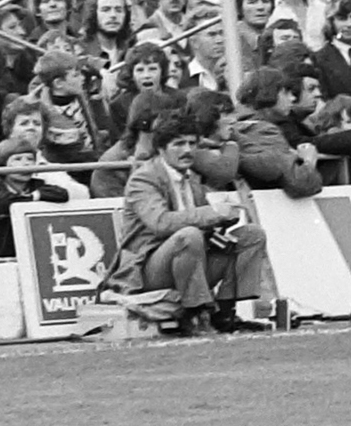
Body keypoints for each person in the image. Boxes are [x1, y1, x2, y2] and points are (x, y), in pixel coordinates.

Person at [110, 109, 274, 336]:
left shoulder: (192, 179)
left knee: (252, 234)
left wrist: (225, 220)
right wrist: (212, 212)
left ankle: (225, 314)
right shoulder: (144, 178)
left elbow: (203, 223)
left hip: (189, 258)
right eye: (178, 144)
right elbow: (161, 223)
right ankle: (196, 315)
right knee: (189, 236)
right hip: (147, 269)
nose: (187, 150)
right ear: (161, 148)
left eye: (192, 143)